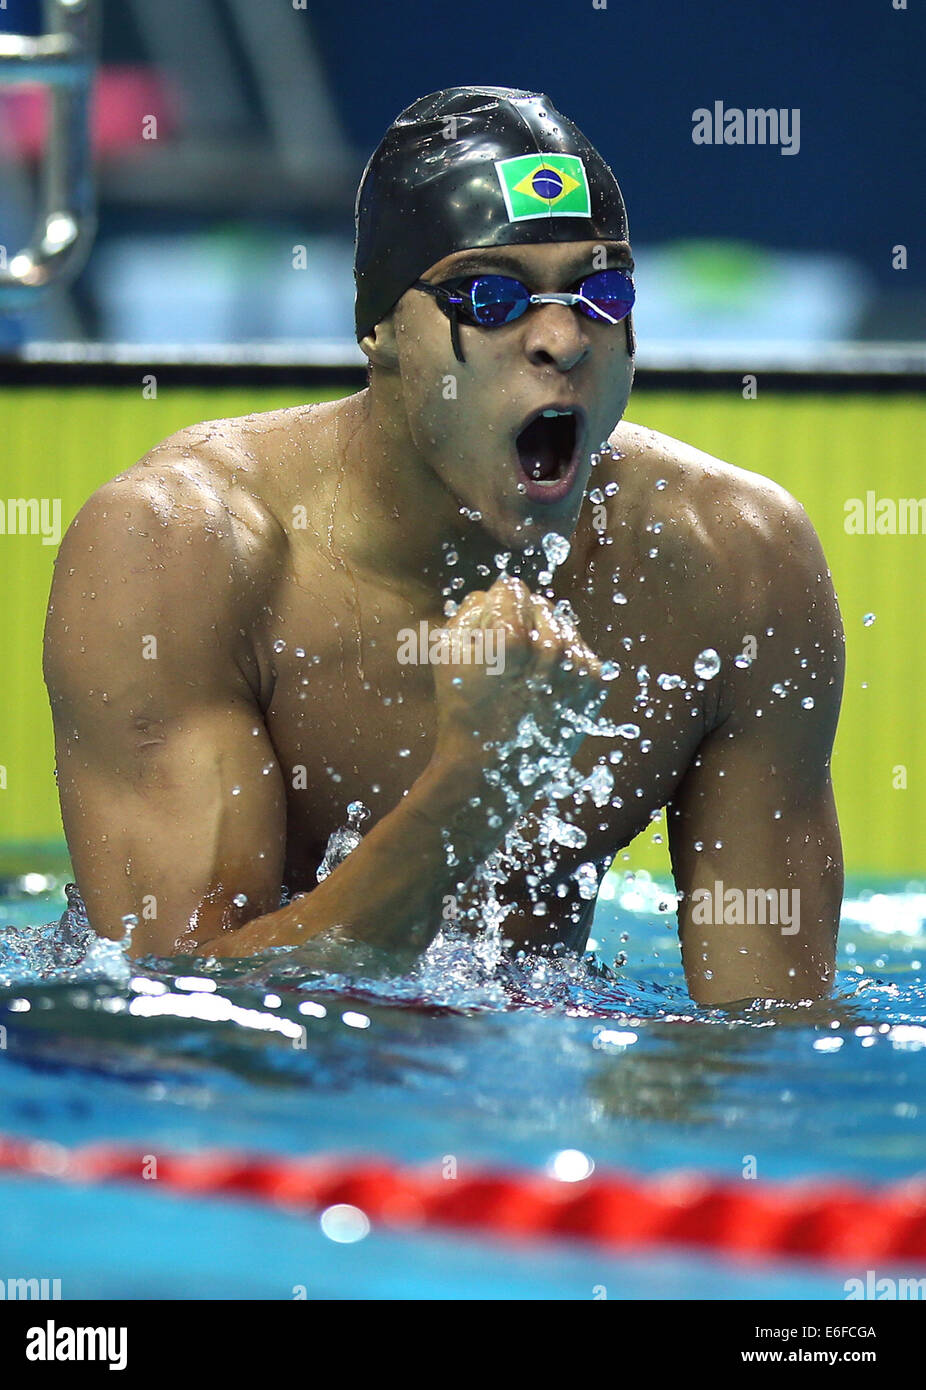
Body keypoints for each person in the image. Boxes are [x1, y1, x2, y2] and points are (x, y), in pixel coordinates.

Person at [42, 87, 844, 1005]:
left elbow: (768, 1035)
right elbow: (178, 1013)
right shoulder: (183, 548)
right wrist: (473, 786)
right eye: (490, 295)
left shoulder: (734, 563)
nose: (562, 338)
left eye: (600, 289)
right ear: (378, 328)